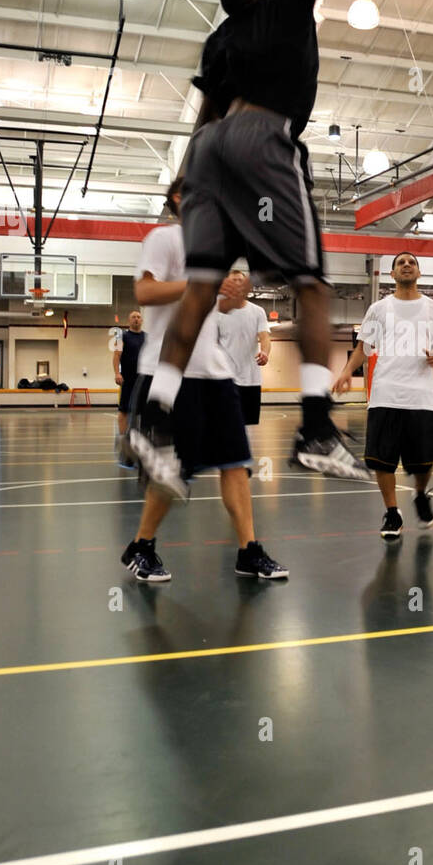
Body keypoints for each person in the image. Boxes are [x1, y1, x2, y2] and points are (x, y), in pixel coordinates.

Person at [129, 0, 401, 497]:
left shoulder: (219, 43)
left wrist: (183, 187)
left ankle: (153, 418)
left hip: (207, 153)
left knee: (201, 288)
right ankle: (316, 429)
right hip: (261, 137)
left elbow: (204, 113)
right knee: (310, 285)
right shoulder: (283, 5)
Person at [121, 178, 286, 581]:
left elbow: (218, 307)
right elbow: (145, 291)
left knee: (236, 465)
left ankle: (248, 551)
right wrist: (202, 284)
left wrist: (235, 291)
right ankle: (142, 546)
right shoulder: (164, 239)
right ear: (179, 199)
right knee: (170, 470)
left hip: (216, 373)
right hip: (169, 371)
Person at [332, 251, 433, 539]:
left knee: (424, 460)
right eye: (400, 263)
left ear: (419, 272)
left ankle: (420, 494)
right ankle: (392, 512)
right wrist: (346, 371)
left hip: (422, 397)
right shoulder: (378, 309)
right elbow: (363, 348)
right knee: (383, 460)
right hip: (385, 393)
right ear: (392, 274)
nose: (406, 265)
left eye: (412, 262)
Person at [216, 281, 271, 427]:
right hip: (225, 378)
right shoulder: (217, 311)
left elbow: (265, 337)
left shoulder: (257, 311)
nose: (237, 285)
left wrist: (264, 352)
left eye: (240, 281)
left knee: (248, 424)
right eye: (233, 281)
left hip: (250, 379)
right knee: (223, 423)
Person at [112, 309, 145, 463]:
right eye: (133, 317)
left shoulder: (147, 338)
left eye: (138, 317)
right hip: (128, 380)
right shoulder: (122, 336)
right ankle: (123, 444)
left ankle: (141, 445)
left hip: (143, 380)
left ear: (142, 320)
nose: (136, 319)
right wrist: (117, 373)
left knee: (142, 413)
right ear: (129, 320)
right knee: (124, 411)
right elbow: (116, 356)